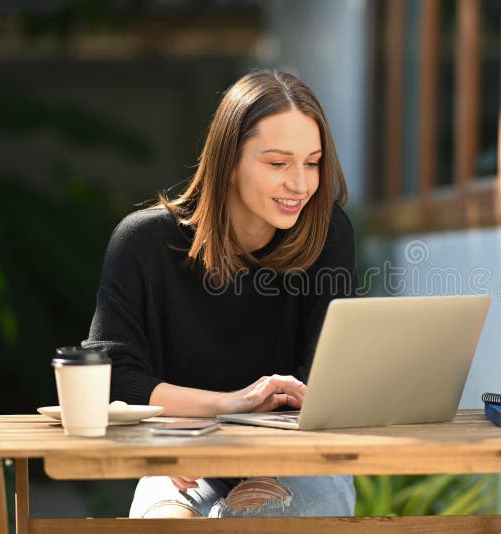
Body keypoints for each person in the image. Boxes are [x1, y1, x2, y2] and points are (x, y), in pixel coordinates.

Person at [82, 70, 357, 519]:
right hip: (183, 455)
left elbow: (319, 387)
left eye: (312, 162)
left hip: (294, 456)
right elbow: (107, 378)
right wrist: (227, 404)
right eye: (277, 163)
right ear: (229, 160)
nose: (300, 184)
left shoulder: (328, 236)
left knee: (244, 521)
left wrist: (235, 430)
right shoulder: (143, 243)